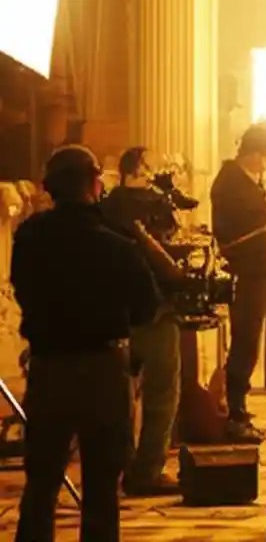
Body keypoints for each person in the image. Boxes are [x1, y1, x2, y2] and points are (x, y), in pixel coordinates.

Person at [11, 146, 162, 540]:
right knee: (100, 487)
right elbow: (147, 306)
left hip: (49, 367)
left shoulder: (29, 236)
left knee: (41, 482)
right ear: (96, 185)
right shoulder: (116, 244)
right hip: (103, 369)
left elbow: (23, 290)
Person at [98, 146, 183, 496]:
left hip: (112, 314)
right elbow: (169, 248)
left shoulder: (103, 209)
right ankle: (147, 471)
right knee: (162, 395)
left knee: (118, 398)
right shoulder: (157, 206)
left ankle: (117, 464)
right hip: (155, 311)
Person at [210, 124, 266, 440]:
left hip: (258, 270)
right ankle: (234, 410)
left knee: (248, 342)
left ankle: (238, 404)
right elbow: (240, 228)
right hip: (247, 270)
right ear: (252, 154)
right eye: (265, 159)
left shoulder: (245, 182)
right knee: (245, 341)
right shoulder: (233, 184)